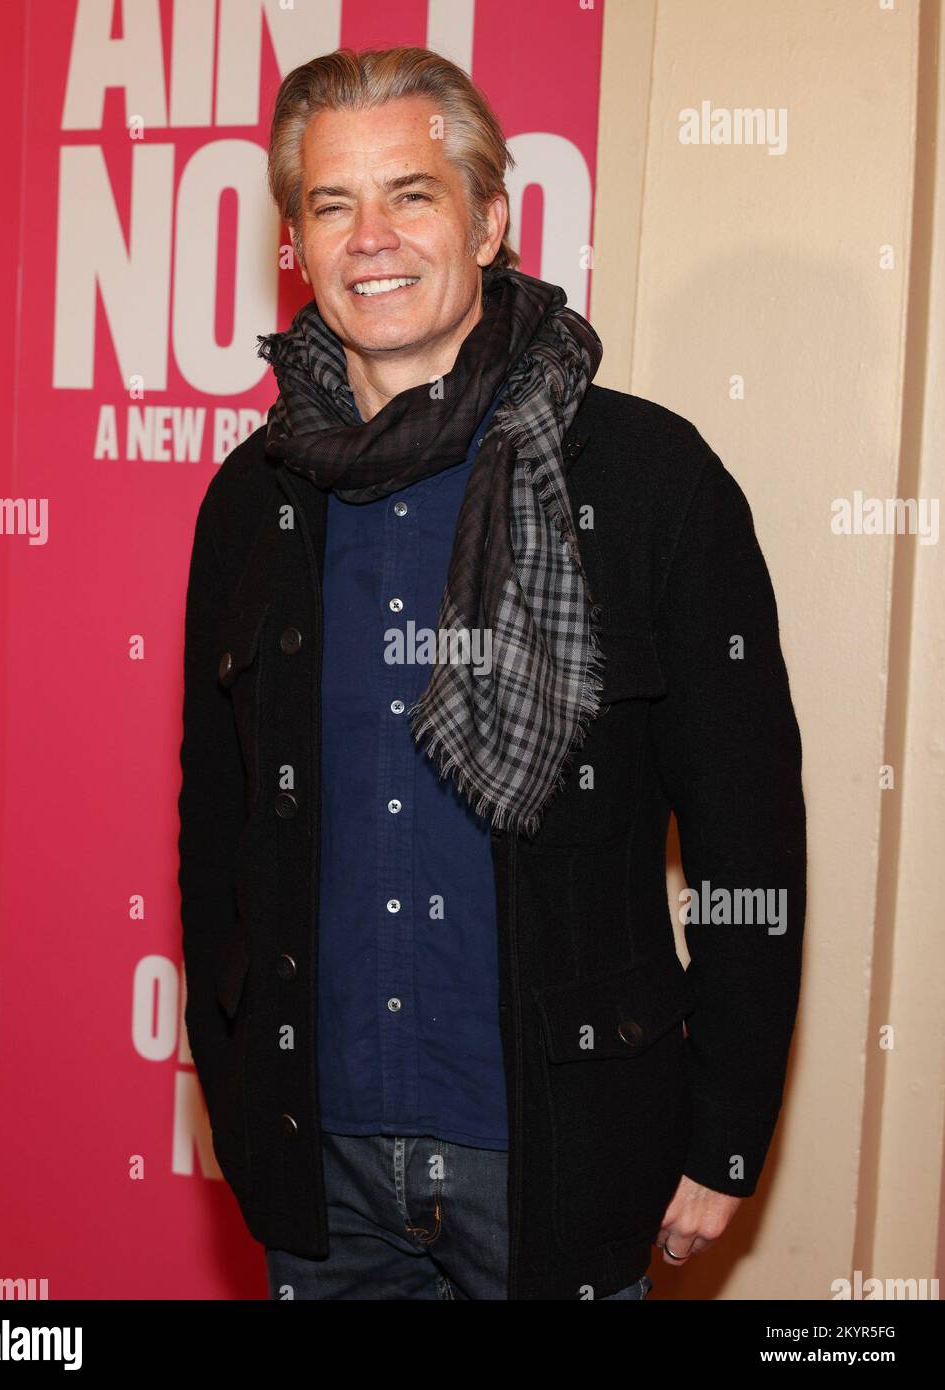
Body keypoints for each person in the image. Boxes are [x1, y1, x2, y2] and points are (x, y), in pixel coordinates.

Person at [177, 46, 807, 1301]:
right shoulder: (253, 502)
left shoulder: (646, 481)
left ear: (491, 218)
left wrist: (726, 1132)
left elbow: (750, 841)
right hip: (324, 1165)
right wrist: (240, 1090)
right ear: (297, 240)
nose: (374, 239)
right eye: (333, 204)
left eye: (412, 193)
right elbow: (216, 832)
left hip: (562, 1162)